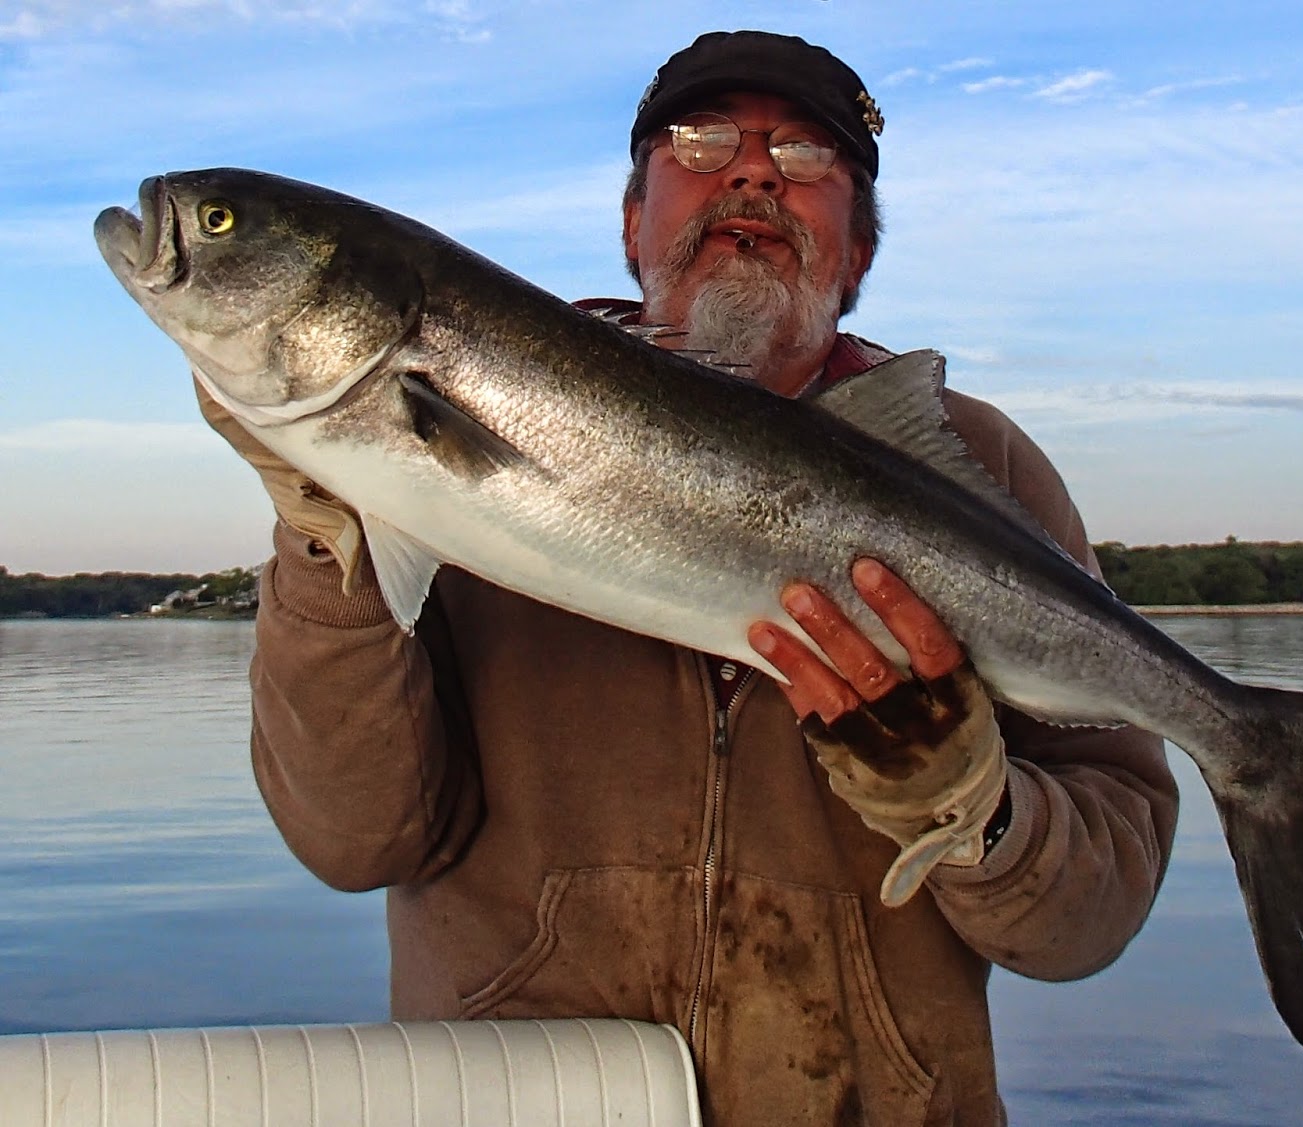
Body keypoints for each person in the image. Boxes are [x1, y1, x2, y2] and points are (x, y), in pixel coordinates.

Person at [199, 30, 1179, 1126]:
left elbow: (1083, 923)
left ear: (857, 252)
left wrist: (972, 810)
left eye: (808, 158)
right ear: (631, 224)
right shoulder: (455, 435)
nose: (752, 172)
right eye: (701, 142)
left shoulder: (981, 468)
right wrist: (333, 534)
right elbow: (356, 840)